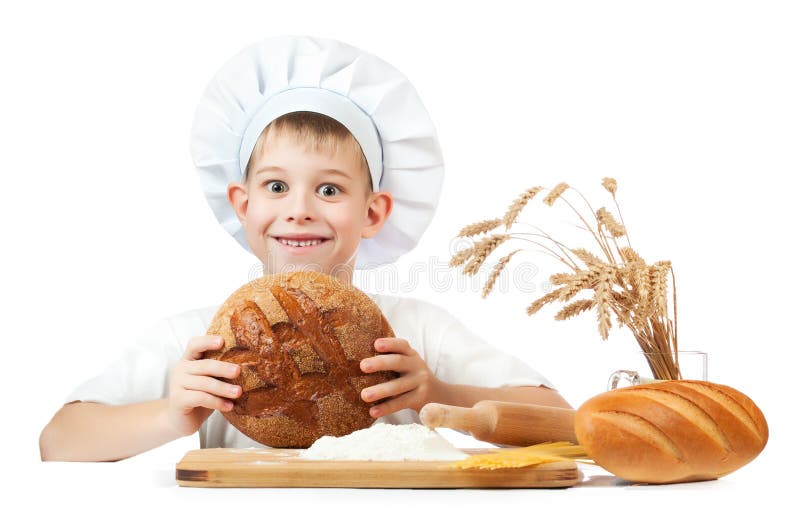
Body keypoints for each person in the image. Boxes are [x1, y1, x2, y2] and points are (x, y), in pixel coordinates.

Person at [39, 35, 571, 462]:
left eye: (330, 189)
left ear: (373, 212)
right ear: (241, 204)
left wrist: (437, 392)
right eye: (276, 187)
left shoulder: (418, 334)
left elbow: (564, 423)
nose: (300, 209)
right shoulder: (200, 344)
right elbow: (59, 440)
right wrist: (171, 415)